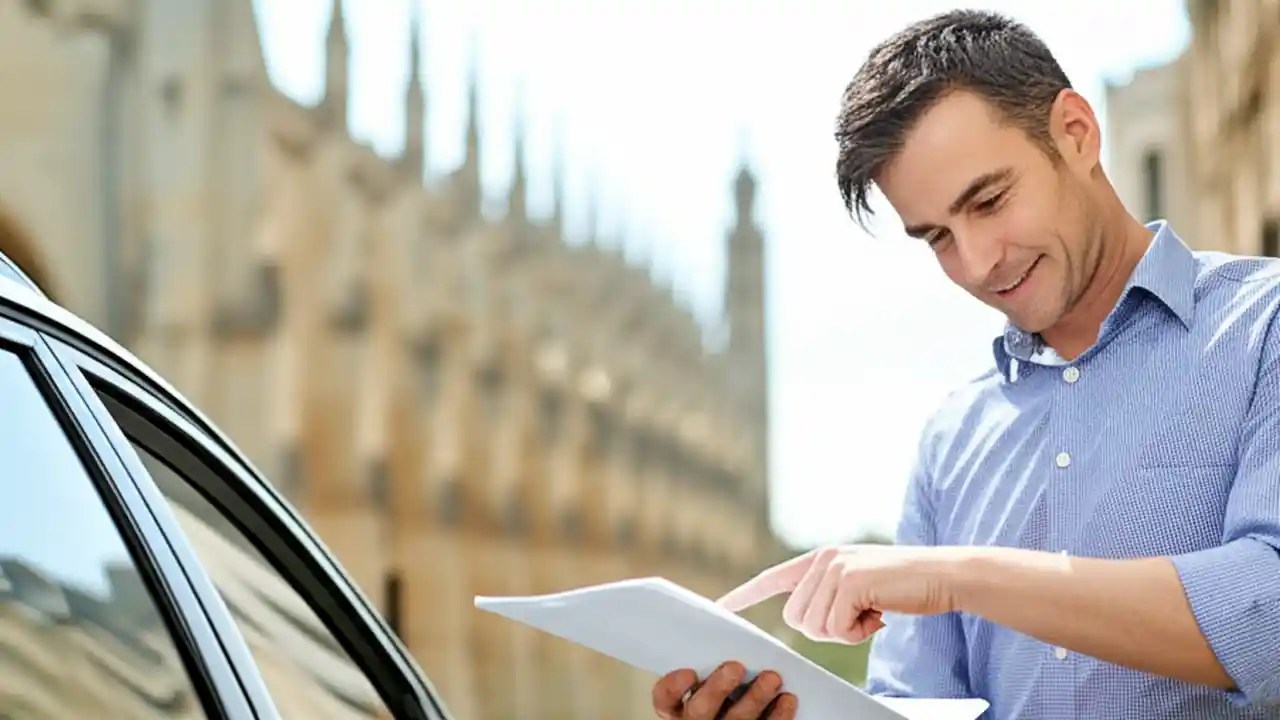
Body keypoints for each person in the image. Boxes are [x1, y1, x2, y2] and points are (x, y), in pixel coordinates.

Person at [651, 8, 1280, 720]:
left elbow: (1270, 610)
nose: (978, 263)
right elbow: (913, 707)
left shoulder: (1264, 329)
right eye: (937, 237)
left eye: (989, 201)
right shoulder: (953, 441)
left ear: (1075, 133)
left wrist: (958, 577)